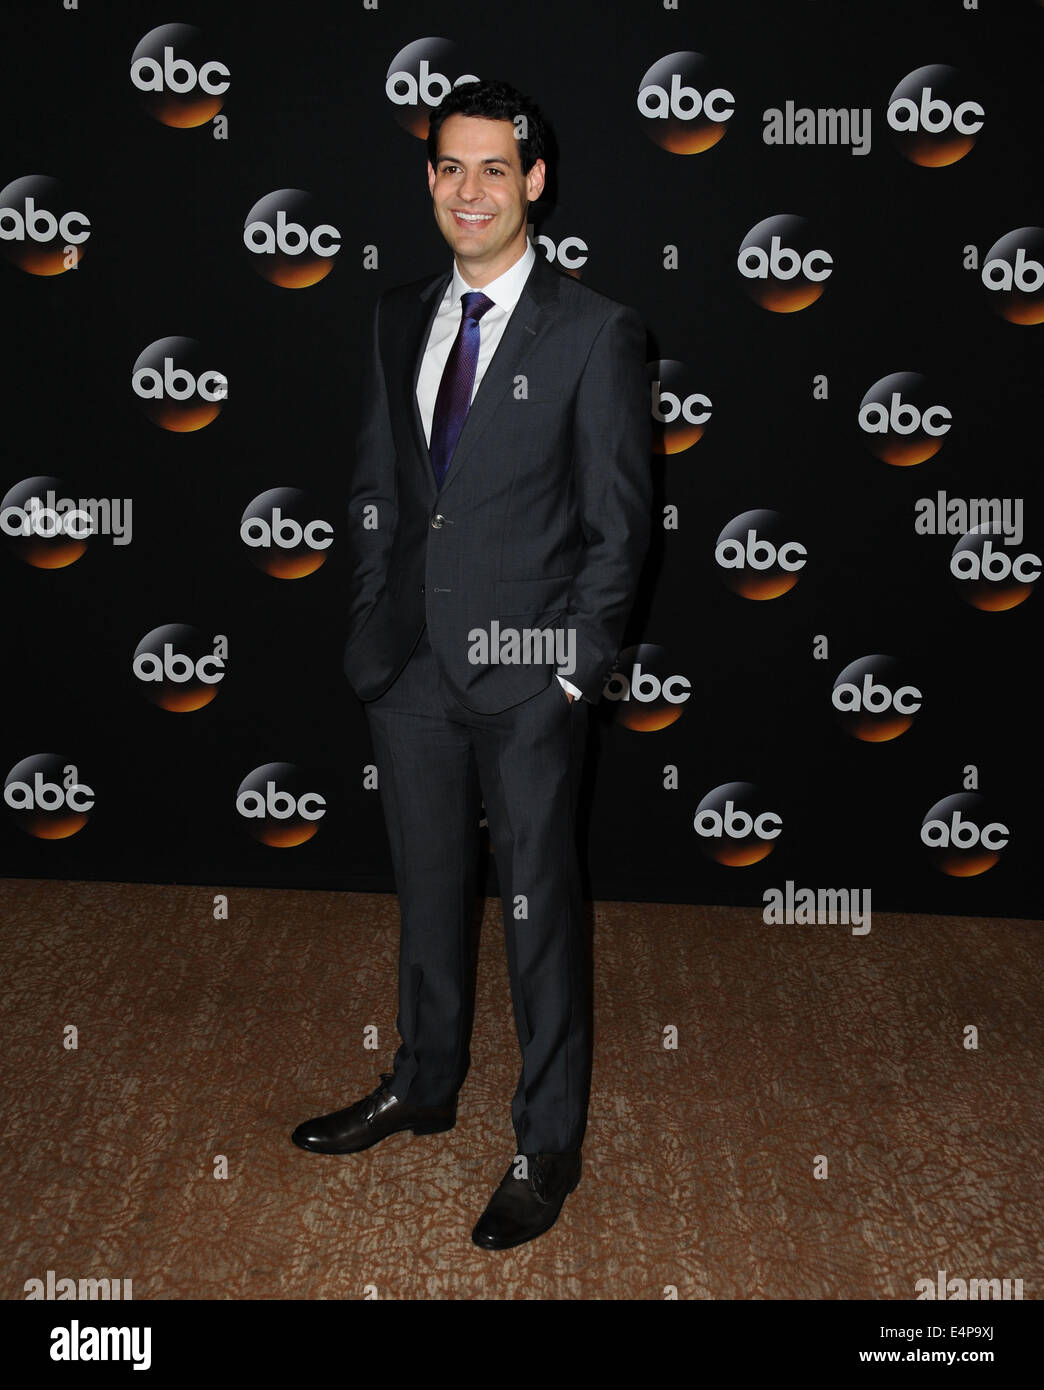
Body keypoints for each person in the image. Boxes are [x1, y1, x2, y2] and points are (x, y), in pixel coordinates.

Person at [292, 78, 651, 1250]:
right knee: (427, 894)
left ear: (535, 181)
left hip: (528, 679)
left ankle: (546, 1144)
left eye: (495, 167)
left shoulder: (595, 330)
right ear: (430, 179)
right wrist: (371, 631)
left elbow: (620, 528)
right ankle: (424, 1080)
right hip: (410, 672)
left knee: (540, 915)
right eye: (450, 166)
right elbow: (379, 490)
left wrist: (568, 672)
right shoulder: (399, 313)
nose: (470, 190)